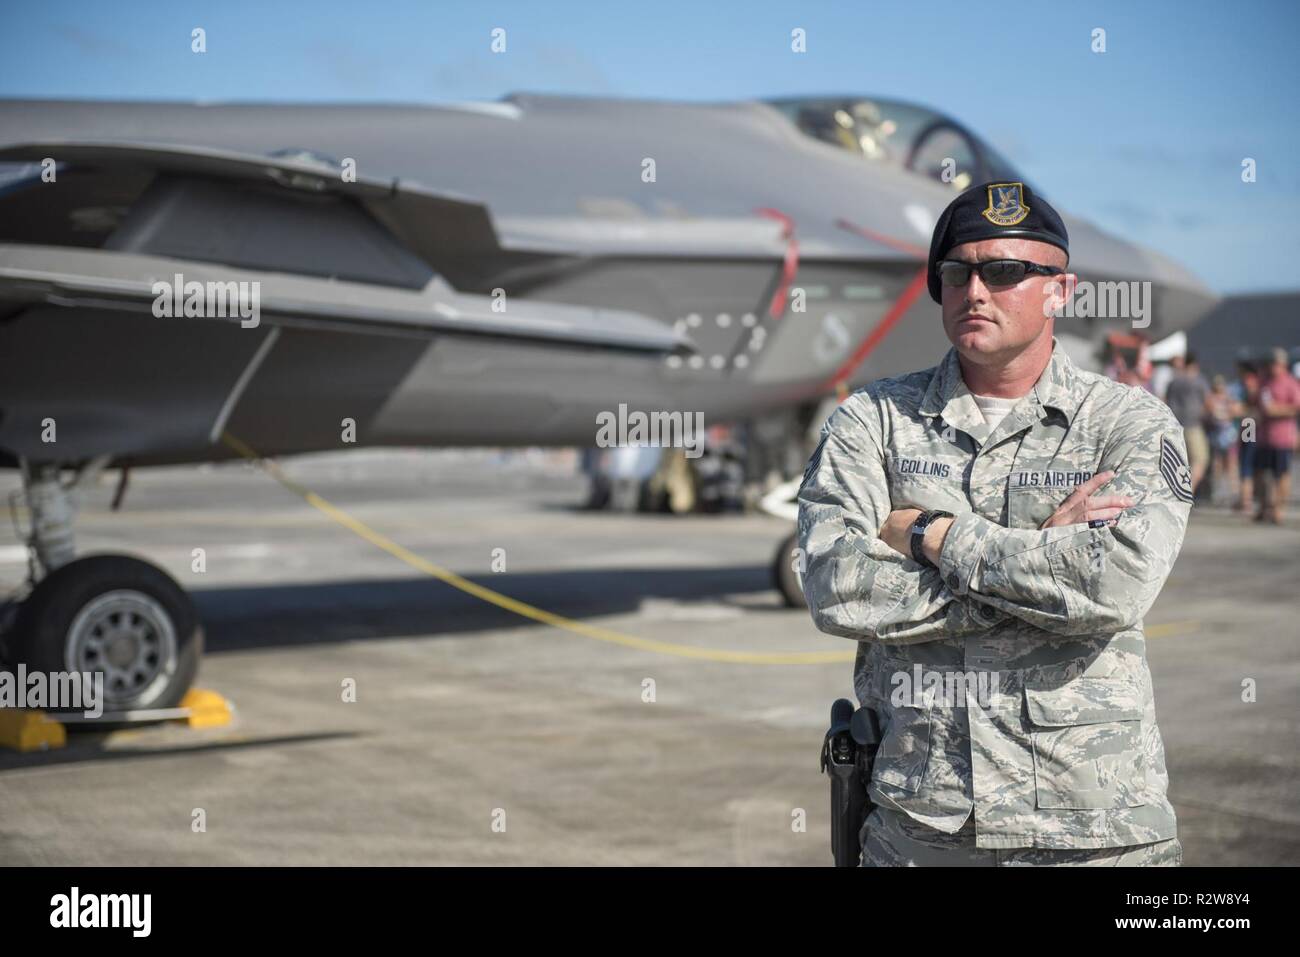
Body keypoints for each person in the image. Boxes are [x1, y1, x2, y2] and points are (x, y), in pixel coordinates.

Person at [798, 181, 1188, 866]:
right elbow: (837, 586)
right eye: (957, 272)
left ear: (1059, 290)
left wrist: (930, 535)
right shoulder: (873, 421)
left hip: (1093, 829)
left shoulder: (1128, 424)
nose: (975, 290)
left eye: (1005, 271)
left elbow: (1114, 587)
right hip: (923, 827)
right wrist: (1043, 560)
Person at [1256, 347, 1300, 524]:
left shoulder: (1290, 383)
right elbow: (1260, 407)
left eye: (1275, 364)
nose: (1272, 367)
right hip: (1264, 437)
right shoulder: (1264, 383)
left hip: (1283, 438)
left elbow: (1296, 407)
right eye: (1270, 363)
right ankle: (1265, 507)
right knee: (1262, 475)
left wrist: (1276, 410)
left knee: (1282, 475)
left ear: (1282, 364)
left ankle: (1278, 509)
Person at [1162, 353, 1211, 500]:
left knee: (1179, 462)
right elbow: (1208, 403)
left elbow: (1165, 400)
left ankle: (1175, 491)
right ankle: (1187, 492)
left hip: (1174, 426)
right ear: (1195, 365)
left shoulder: (1174, 381)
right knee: (1200, 460)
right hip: (1193, 426)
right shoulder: (1199, 381)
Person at [1230, 360, 1261, 514]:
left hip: (1249, 425)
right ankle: (1245, 498)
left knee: (1246, 463)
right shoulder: (1257, 381)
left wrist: (1239, 409)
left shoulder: (1250, 382)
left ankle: (1245, 501)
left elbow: (1249, 404)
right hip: (1251, 425)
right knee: (1247, 463)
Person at [1204, 375, 1237, 504]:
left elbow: (1234, 411)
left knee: (1231, 463)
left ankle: (1232, 492)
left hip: (1228, 434)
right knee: (1217, 463)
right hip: (1216, 435)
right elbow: (1211, 413)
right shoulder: (1210, 398)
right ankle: (1217, 491)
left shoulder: (1228, 398)